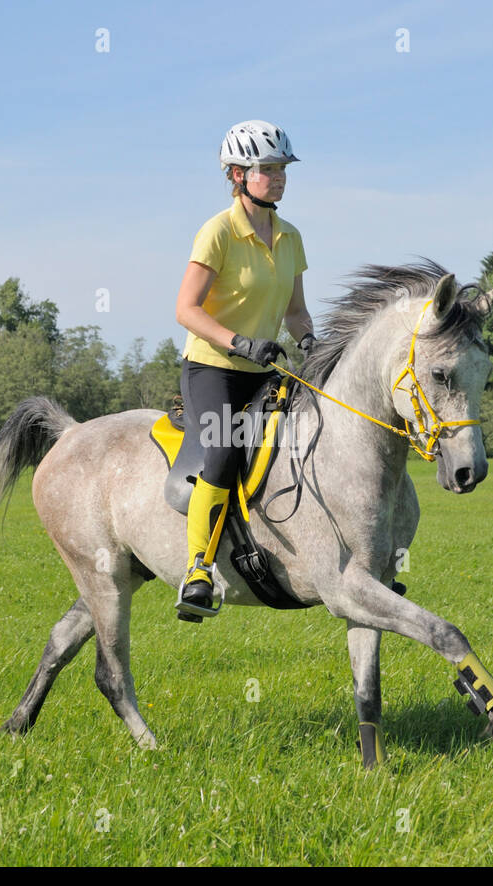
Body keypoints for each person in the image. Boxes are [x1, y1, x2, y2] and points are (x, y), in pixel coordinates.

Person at [173, 120, 317, 621]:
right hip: (213, 367)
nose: (278, 178)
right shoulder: (217, 232)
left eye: (282, 169)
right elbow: (186, 309)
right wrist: (239, 342)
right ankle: (198, 569)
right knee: (226, 444)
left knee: (311, 435)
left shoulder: (291, 236)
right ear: (237, 175)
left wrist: (310, 343)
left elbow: (296, 310)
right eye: (267, 169)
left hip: (264, 369)